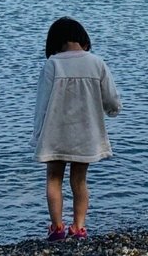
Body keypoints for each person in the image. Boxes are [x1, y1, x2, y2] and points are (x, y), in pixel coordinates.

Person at [32, 17, 122, 241]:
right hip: (86, 133)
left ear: (55, 42)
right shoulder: (96, 62)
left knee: (54, 177)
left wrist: (37, 135)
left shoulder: (53, 64)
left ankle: (57, 228)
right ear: (83, 39)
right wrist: (113, 110)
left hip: (55, 132)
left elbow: (42, 104)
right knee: (79, 180)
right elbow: (111, 98)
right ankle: (79, 227)